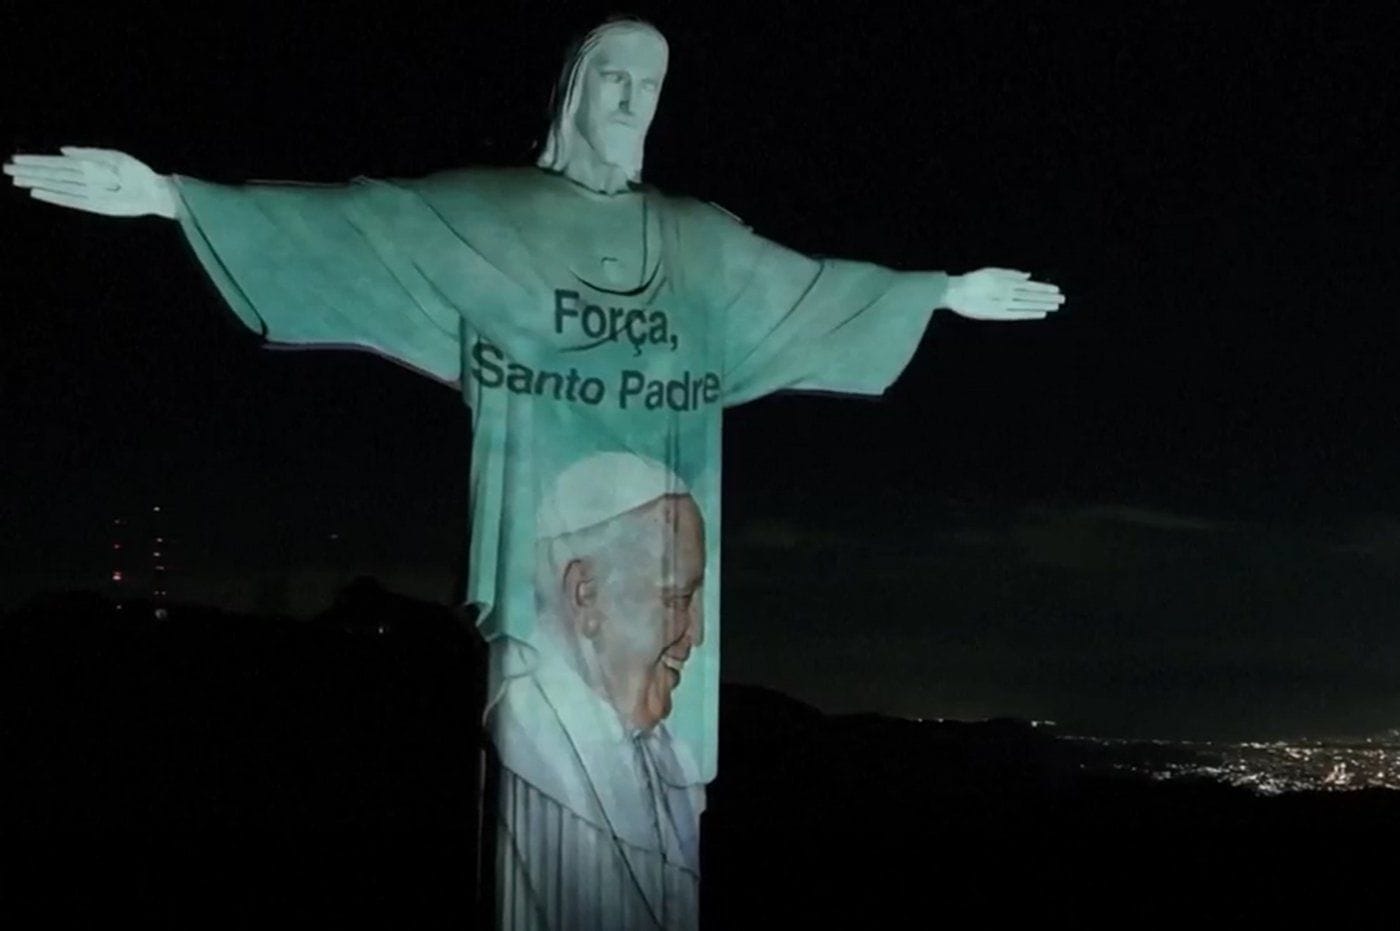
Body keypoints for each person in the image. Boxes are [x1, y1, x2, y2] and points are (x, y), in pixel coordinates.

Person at [6, 14, 1065, 929]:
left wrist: (939, 293)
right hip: (543, 615)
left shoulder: (698, 242)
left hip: (653, 647)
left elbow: (811, 292)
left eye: (650, 84)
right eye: (614, 78)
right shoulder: (494, 214)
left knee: (654, 820)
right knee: (543, 796)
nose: (632, 101)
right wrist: (171, 197)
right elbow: (363, 229)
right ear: (574, 89)